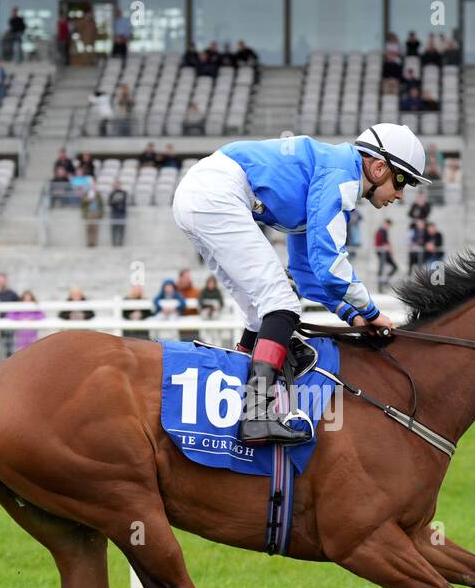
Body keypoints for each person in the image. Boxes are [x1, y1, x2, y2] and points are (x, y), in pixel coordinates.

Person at [171, 122, 428, 444]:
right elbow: (331, 265)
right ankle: (256, 415)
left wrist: (352, 316)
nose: (402, 195)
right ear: (378, 168)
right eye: (403, 181)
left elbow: (307, 272)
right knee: (280, 305)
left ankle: (241, 397)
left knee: (261, 313)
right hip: (217, 193)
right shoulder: (341, 177)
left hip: (201, 194)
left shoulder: (329, 174)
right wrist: (372, 311)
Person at [0, 273, 20, 359]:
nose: (1, 283)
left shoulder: (12, 294)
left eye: (2, 280)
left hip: (9, 326)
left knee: (9, 348)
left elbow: (19, 308)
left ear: (5, 281)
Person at [374, 219, 398, 285]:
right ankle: (381, 283)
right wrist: (390, 251)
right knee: (382, 267)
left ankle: (384, 281)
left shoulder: (382, 231)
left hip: (383, 251)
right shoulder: (382, 231)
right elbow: (384, 243)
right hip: (382, 251)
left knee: (391, 267)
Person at [108, 180, 129, 246]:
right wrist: (116, 201)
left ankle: (120, 242)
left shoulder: (124, 193)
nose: (117, 186)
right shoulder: (112, 193)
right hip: (114, 213)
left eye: (118, 184)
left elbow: (124, 202)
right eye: (115, 185)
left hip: (122, 213)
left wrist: (116, 201)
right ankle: (114, 242)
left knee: (121, 229)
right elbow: (110, 203)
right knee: (114, 229)